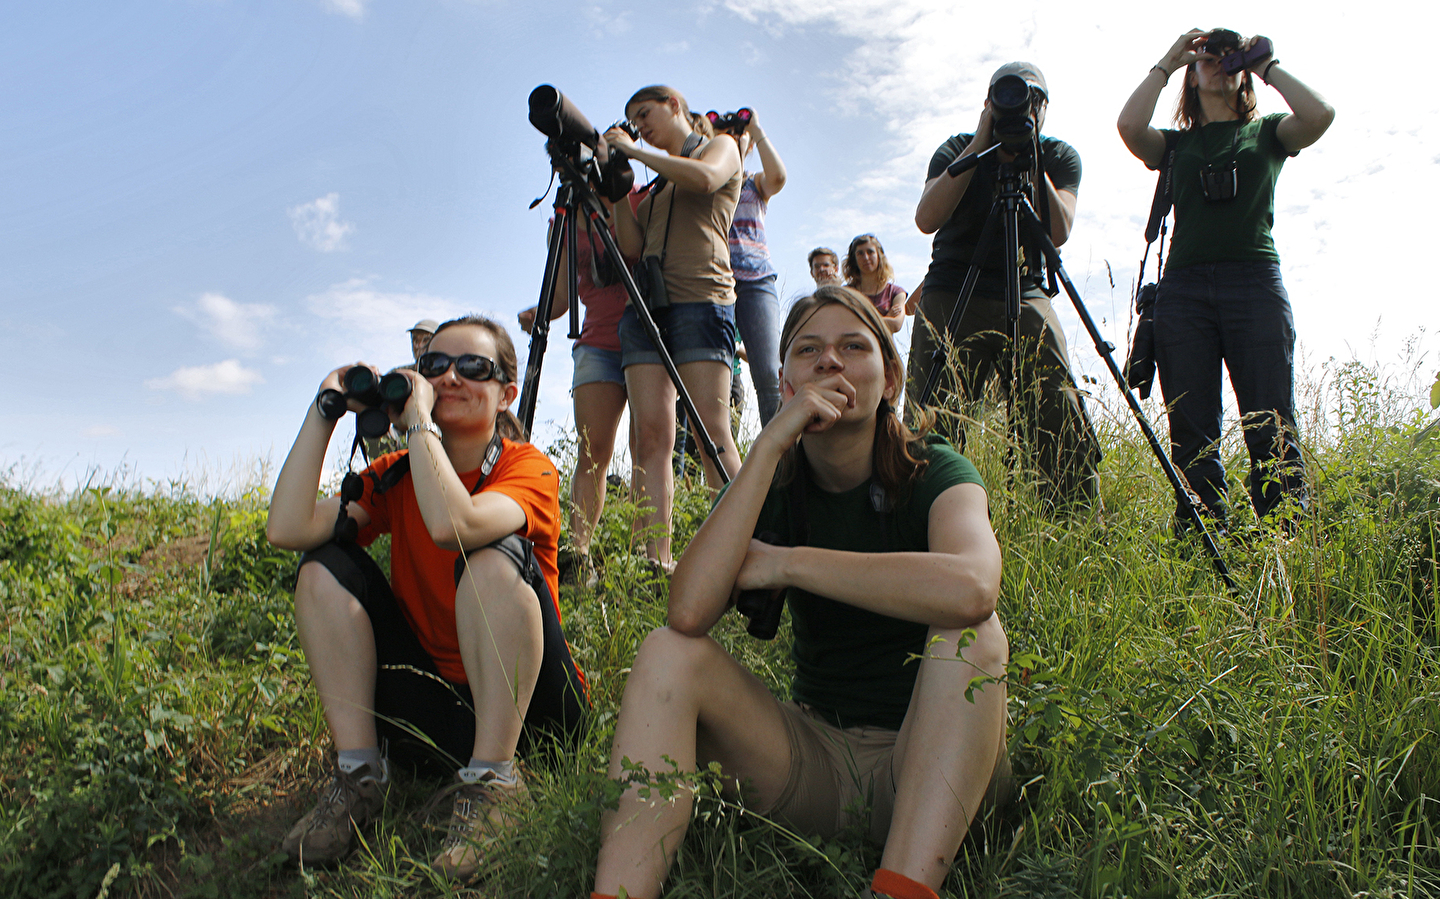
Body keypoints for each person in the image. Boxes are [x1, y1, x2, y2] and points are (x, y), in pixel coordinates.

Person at [590, 286, 1010, 899]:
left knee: (974, 635)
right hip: (818, 764)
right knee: (666, 651)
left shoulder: (933, 468)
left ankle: (901, 888)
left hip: (937, 773)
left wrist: (788, 564)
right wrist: (766, 447)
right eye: (808, 349)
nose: (829, 361)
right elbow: (687, 614)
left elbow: (973, 588)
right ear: (785, 383)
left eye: (853, 346)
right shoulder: (776, 482)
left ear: (890, 378)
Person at [265, 315, 587, 877]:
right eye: (434, 367)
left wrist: (418, 424)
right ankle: (359, 777)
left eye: (473, 368)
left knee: (488, 558)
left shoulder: (527, 468)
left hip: (534, 716)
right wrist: (324, 411)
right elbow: (287, 528)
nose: (450, 378)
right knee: (322, 568)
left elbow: (453, 525)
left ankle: (497, 784)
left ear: (506, 392)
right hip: (436, 710)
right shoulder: (397, 477)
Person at [1117, 29, 1333, 528]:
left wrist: (1264, 64)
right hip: (1184, 291)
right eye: (1206, 59)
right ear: (1191, 80)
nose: (1216, 63)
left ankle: (1284, 544)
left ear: (1243, 77)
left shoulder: (1269, 133)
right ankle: (1203, 544)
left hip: (1255, 283)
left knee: (1272, 425)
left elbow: (1320, 114)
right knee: (1192, 433)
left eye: (1226, 57)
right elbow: (1129, 125)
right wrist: (1170, 61)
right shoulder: (1175, 145)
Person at [909, 61, 1101, 507]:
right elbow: (926, 218)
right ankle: (917, 511)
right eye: (1008, 97)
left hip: (1026, 286)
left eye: (1033, 100)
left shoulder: (1057, 156)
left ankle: (1072, 521)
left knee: (1057, 408)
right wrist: (980, 145)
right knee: (931, 416)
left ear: (1045, 108)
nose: (1021, 108)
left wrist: (1031, 157)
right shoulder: (958, 149)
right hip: (953, 289)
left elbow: (1058, 231)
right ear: (987, 104)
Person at [603, 85, 744, 571]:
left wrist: (635, 150)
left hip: (702, 302)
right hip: (647, 309)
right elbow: (631, 245)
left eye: (645, 113)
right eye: (633, 120)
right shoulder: (656, 186)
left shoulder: (719, 147)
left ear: (675, 106)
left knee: (711, 434)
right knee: (651, 440)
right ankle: (653, 562)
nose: (640, 125)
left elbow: (705, 180)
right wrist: (618, 186)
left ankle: (744, 552)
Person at [519, 207, 634, 588]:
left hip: (648, 334)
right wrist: (540, 313)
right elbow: (562, 298)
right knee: (592, 451)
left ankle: (650, 559)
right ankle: (578, 554)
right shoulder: (562, 222)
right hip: (597, 341)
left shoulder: (633, 197)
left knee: (650, 446)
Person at [727, 111, 788, 425]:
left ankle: (783, 463)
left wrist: (756, 130)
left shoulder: (754, 182)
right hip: (715, 281)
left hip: (756, 279)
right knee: (718, 376)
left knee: (768, 373)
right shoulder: (708, 180)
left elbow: (778, 177)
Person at [844, 233, 908, 334]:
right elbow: (844, 325)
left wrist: (860, 321)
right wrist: (885, 318)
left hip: (884, 349)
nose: (866, 257)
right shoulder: (846, 293)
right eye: (860, 253)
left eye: (870, 252)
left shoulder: (896, 292)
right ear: (854, 260)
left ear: (879, 256)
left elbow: (896, 324)